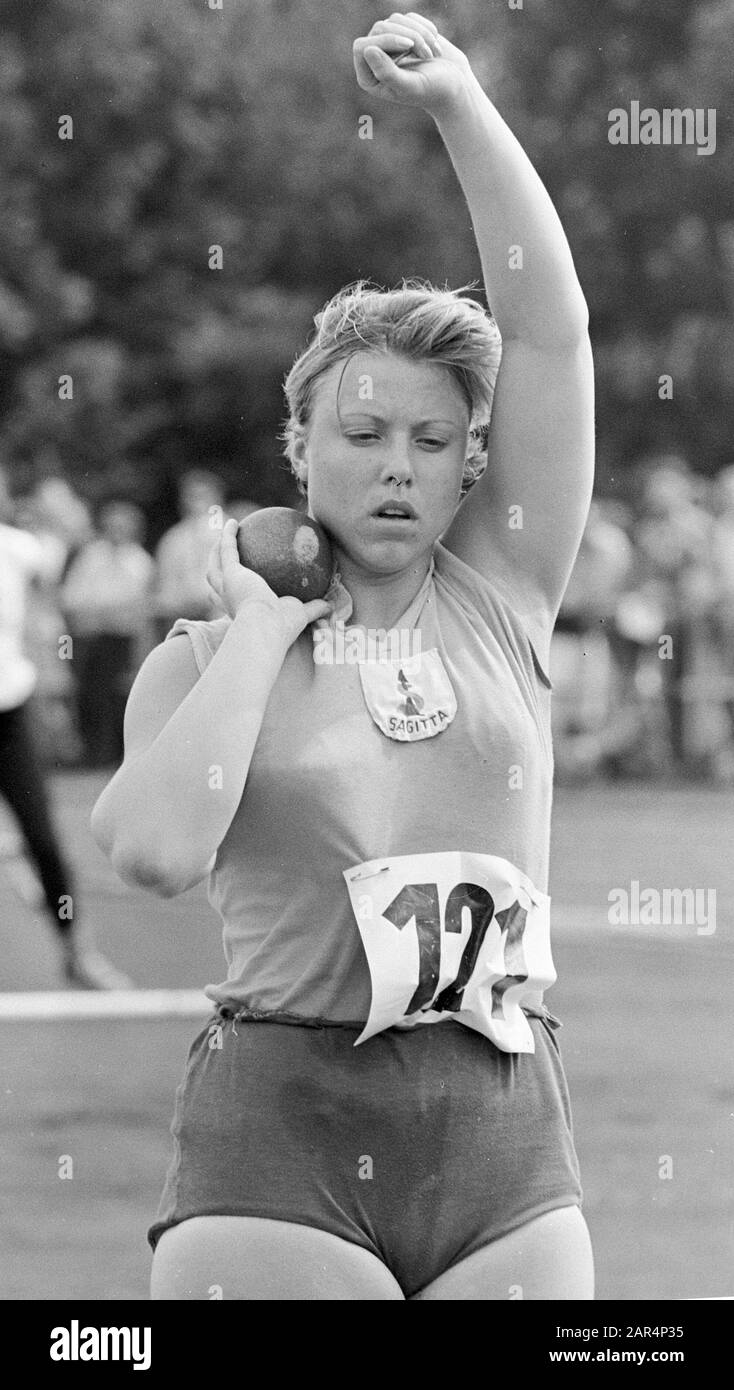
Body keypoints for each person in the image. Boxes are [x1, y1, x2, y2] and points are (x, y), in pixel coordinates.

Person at [92, 13, 595, 1300]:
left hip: (502, 1128)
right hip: (281, 1137)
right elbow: (151, 854)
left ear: (470, 463)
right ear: (299, 446)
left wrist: (462, 107)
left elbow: (547, 338)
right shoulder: (203, 656)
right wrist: (264, 633)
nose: (395, 465)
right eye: (362, 431)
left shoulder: (504, 594)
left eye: (432, 441)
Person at [0, 470, 133, 990]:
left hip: (9, 711)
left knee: (44, 840)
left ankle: (78, 954)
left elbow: (74, 536)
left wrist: (55, 498)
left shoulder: (16, 547)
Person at [60, 499, 155, 768]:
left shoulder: (139, 561)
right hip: (89, 636)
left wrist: (103, 609)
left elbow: (138, 605)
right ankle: (91, 751)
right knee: (88, 694)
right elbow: (72, 597)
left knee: (117, 696)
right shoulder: (91, 555)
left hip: (121, 639)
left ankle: (114, 754)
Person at [152, 471, 226, 639]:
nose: (196, 502)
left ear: (217, 498)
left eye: (202, 496)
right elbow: (165, 583)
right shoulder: (173, 539)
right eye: (191, 496)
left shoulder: (230, 532)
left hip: (219, 615)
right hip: (182, 617)